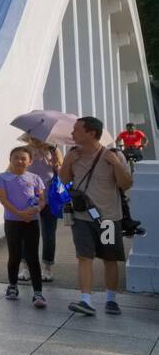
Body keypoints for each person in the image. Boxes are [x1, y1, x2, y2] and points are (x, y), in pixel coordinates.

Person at [63, 115, 133, 316]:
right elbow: (64, 179)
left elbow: (126, 184)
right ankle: (86, 300)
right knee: (84, 257)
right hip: (82, 217)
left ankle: (111, 299)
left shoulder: (113, 154)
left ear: (91, 133)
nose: (72, 134)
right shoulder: (73, 154)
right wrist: (67, 163)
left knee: (109, 258)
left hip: (108, 218)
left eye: (76, 130)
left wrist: (117, 164)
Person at [0, 146, 47, 309]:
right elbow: (3, 199)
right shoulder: (2, 177)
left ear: (30, 162)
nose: (19, 161)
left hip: (31, 221)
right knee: (14, 255)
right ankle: (12, 286)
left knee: (32, 257)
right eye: (16, 157)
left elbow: (42, 199)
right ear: (10, 160)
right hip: (12, 221)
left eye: (23, 158)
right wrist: (19, 213)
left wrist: (36, 209)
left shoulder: (35, 178)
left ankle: (38, 292)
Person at [18, 135, 63, 283]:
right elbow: (12, 171)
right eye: (33, 136)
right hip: (28, 200)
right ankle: (24, 267)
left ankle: (47, 268)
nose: (36, 139)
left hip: (49, 200)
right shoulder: (23, 151)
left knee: (49, 234)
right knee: (26, 234)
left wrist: (55, 164)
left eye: (39, 136)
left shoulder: (53, 150)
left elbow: (62, 175)